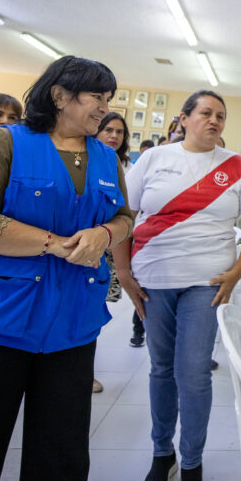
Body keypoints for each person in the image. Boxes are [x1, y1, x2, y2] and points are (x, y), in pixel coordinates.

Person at [0, 56, 133, 481]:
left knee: (60, 456)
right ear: (60, 95)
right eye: (96, 96)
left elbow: (124, 217)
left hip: (72, 327)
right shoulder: (7, 142)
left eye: (108, 98)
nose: (105, 106)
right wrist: (55, 245)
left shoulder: (105, 157)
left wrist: (104, 233)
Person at [116, 90, 241, 481]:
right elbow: (122, 217)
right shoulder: (153, 159)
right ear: (184, 118)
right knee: (161, 370)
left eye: (221, 115)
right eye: (205, 113)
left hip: (207, 282)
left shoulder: (235, 166)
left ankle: (192, 461)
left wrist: (236, 272)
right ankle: (161, 453)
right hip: (154, 280)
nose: (214, 120)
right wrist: (124, 273)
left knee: (195, 372)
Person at [93, 112, 133, 385]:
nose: (114, 136)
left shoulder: (121, 167)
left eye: (119, 132)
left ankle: (86, 371)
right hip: (79, 245)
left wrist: (123, 267)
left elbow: (124, 217)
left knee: (94, 313)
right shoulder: (86, 162)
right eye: (108, 129)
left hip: (109, 247)